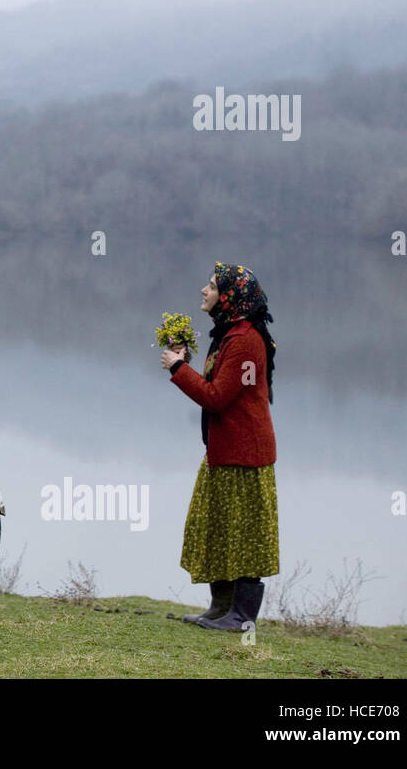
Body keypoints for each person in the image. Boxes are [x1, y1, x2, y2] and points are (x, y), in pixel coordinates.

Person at [161, 261, 279, 631]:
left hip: (244, 455)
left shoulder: (244, 340)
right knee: (217, 527)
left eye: (211, 286)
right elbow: (220, 383)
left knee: (244, 534)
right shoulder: (230, 333)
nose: (204, 290)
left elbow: (217, 398)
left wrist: (179, 369)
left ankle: (241, 617)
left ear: (230, 296)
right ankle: (219, 609)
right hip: (224, 450)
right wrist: (187, 362)